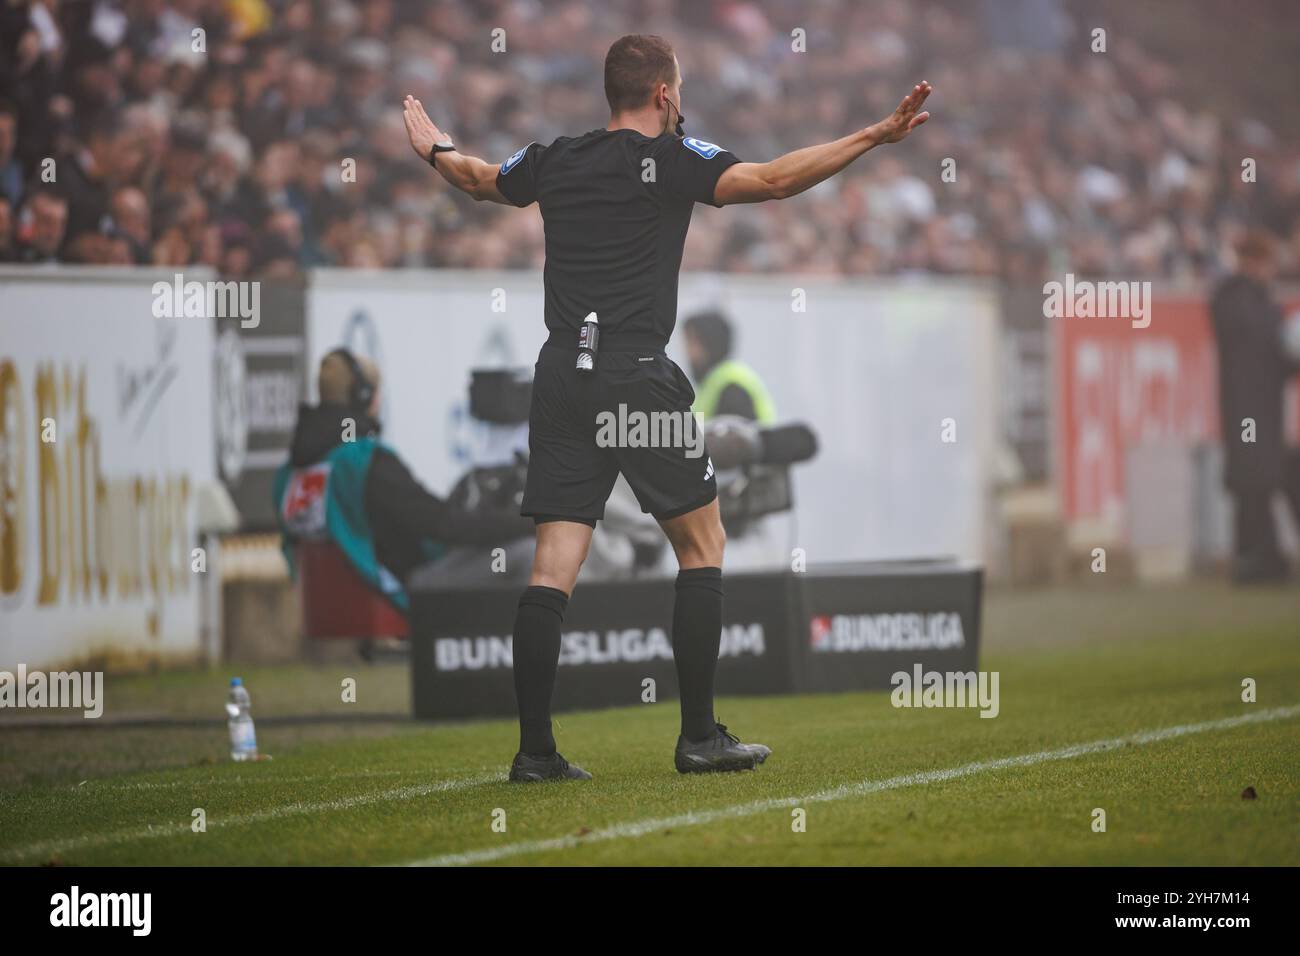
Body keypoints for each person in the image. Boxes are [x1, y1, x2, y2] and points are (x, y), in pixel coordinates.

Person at [403, 33, 931, 781]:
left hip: (560, 376)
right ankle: (698, 737)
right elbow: (777, 180)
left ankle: (535, 752)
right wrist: (876, 135)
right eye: (677, 91)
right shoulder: (675, 159)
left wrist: (433, 148)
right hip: (637, 379)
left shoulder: (557, 156)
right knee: (702, 543)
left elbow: (479, 178)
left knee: (552, 565)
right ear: (663, 94)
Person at [273, 349, 532, 612]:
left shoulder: (290, 473)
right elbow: (441, 525)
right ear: (364, 397)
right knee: (528, 553)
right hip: (395, 590)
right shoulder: (363, 461)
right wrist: (528, 523)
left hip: (326, 605)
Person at [1210, 231, 1300, 583]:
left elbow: (1278, 359)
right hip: (1245, 411)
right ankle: (1255, 562)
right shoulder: (1232, 298)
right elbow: (1259, 343)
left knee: (1269, 477)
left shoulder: (1261, 302)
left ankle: (1263, 560)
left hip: (1264, 408)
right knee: (1253, 483)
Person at [682, 308, 776, 423]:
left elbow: (737, 437)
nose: (688, 351)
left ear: (711, 343)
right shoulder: (712, 383)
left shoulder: (732, 387)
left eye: (693, 342)